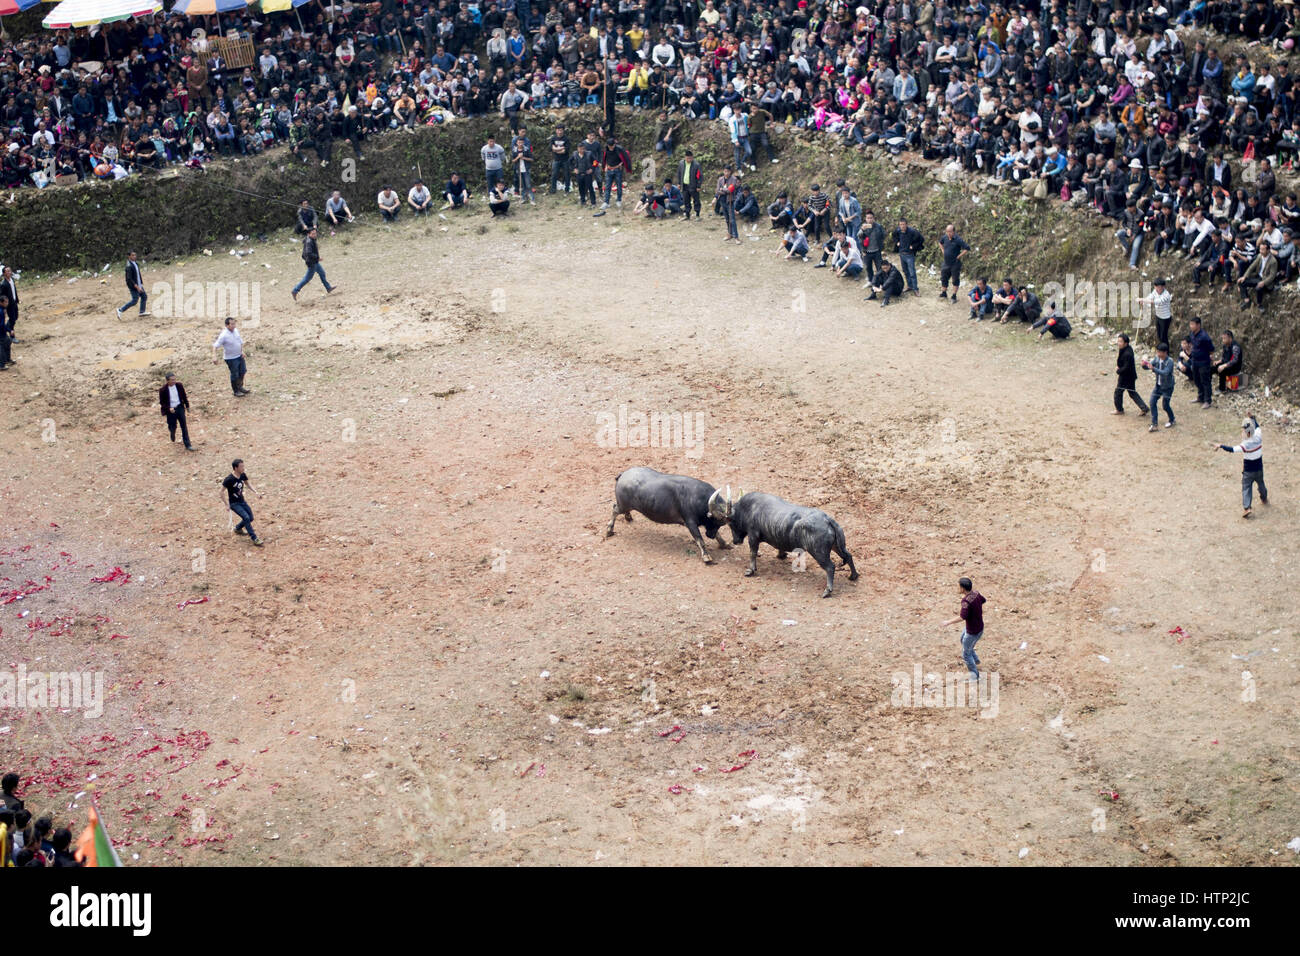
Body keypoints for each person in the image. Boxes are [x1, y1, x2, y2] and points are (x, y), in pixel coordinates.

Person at [1214, 416, 1267, 518]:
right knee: (1261, 483)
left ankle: (1247, 508)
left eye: (1243, 431)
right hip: (1259, 468)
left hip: (1248, 471)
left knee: (1246, 487)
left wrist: (1221, 446)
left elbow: (1232, 449)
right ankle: (1264, 497)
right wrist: (1252, 418)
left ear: (1247, 433)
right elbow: (1257, 426)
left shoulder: (1245, 444)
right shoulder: (1258, 436)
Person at [942, 577, 986, 683]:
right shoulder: (976, 593)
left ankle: (974, 676)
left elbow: (962, 617)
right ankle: (975, 659)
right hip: (978, 626)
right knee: (963, 639)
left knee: (966, 654)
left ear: (962, 588)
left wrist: (948, 622)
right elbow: (983, 600)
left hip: (972, 631)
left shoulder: (965, 601)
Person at [221, 459, 263, 546]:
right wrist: (226, 504)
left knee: (250, 518)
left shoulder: (242, 475)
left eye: (243, 466)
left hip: (242, 501)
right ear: (236, 468)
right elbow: (221, 492)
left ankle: (237, 528)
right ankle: (254, 538)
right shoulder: (229, 479)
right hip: (234, 504)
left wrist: (256, 492)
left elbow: (247, 484)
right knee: (246, 518)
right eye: (241, 466)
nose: (243, 468)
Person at [292, 227, 335, 300]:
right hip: (312, 263)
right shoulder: (309, 242)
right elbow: (308, 253)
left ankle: (328, 288)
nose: (315, 235)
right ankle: (295, 290)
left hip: (314, 261)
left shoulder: (310, 239)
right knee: (307, 278)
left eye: (315, 233)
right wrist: (317, 258)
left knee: (322, 273)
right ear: (308, 234)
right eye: (313, 234)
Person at [212, 316, 250, 396]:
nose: (234, 326)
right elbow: (215, 346)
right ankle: (235, 391)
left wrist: (242, 351)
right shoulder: (224, 335)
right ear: (227, 325)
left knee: (243, 371)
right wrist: (214, 356)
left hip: (239, 355)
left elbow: (240, 341)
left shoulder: (236, 330)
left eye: (234, 324)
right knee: (235, 374)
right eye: (232, 324)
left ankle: (240, 387)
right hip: (231, 358)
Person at [1113, 333, 1149, 415]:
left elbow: (1126, 367)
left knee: (1118, 392)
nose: (1118, 343)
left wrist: (1118, 370)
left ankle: (1119, 409)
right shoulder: (1125, 348)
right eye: (1118, 341)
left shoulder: (1127, 354)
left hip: (1126, 376)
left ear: (1125, 343)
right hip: (1130, 375)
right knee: (1132, 392)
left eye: (1120, 341)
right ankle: (1144, 408)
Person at [1143, 342, 1177, 432]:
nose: (1158, 354)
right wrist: (1144, 365)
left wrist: (1154, 369)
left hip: (1167, 387)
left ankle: (1172, 419)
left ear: (1165, 352)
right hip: (1158, 386)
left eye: (1159, 352)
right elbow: (1150, 366)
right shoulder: (1157, 359)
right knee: (1152, 402)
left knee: (1165, 405)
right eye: (1157, 352)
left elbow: (1165, 373)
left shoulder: (1170, 361)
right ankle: (1154, 424)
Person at [158, 372, 194, 450]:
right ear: (167, 381)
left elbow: (184, 396)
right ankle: (172, 432)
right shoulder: (163, 390)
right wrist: (168, 408)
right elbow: (162, 402)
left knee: (184, 426)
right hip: (171, 411)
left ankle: (188, 444)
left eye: (174, 379)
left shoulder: (179, 385)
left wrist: (187, 406)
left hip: (180, 408)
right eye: (172, 380)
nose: (174, 381)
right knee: (172, 425)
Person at [1188, 316, 1216, 408]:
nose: (1191, 326)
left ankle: (1207, 400)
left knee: (1205, 381)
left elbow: (1211, 349)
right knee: (1196, 379)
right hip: (1194, 361)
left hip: (1203, 362)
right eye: (1190, 324)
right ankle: (1200, 396)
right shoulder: (1192, 334)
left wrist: (1210, 358)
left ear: (1198, 325)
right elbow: (1192, 345)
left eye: (1192, 324)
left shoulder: (1204, 337)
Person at [1137, 277, 1173, 348]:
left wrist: (1143, 299)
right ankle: (1162, 350)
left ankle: (1165, 351)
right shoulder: (1155, 291)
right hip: (1158, 316)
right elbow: (1150, 297)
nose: (1156, 289)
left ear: (1163, 287)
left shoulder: (1166, 295)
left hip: (1165, 318)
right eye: (1155, 287)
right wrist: (1143, 301)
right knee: (1159, 335)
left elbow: (1157, 302)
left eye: (1158, 287)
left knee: (1163, 336)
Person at [937, 224, 970, 301]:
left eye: (950, 231)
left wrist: (959, 256)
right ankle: (944, 293)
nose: (948, 233)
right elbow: (940, 243)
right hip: (946, 262)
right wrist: (943, 250)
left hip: (955, 263)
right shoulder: (945, 237)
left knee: (955, 279)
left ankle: (954, 295)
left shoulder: (958, 239)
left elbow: (967, 248)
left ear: (954, 231)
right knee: (944, 278)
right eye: (947, 231)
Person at [892, 217, 924, 295]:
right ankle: (909, 286)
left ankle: (915, 289)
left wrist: (913, 246)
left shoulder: (912, 231)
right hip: (902, 254)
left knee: (912, 273)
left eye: (903, 224)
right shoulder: (898, 231)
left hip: (910, 255)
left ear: (906, 224)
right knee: (905, 271)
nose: (902, 226)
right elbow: (893, 236)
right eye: (900, 225)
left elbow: (921, 239)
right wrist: (897, 242)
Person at [116, 252, 149, 319]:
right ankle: (120, 310)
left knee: (144, 296)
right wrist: (137, 287)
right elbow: (129, 278)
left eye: (135, 255)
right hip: (133, 286)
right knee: (134, 300)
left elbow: (137, 274)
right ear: (129, 256)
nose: (134, 256)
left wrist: (140, 284)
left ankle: (142, 312)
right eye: (132, 255)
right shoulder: (129, 266)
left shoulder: (135, 263)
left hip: (138, 284)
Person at [600, 136, 631, 208]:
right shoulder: (606, 149)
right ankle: (606, 202)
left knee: (619, 186)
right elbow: (604, 158)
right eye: (610, 146)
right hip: (609, 170)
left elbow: (626, 157)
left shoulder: (619, 149)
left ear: (614, 144)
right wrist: (605, 166)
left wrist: (622, 164)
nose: (611, 148)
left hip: (617, 170)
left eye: (612, 146)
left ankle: (618, 200)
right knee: (607, 186)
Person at [716, 165, 740, 242]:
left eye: (728, 171)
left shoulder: (734, 179)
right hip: (722, 200)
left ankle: (736, 236)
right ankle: (729, 233)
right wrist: (724, 190)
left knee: (732, 219)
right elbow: (717, 190)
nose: (726, 173)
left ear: (730, 172)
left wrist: (722, 189)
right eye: (725, 171)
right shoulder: (720, 179)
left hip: (730, 201)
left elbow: (730, 190)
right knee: (727, 218)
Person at [548, 124, 571, 194]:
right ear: (556, 130)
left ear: (563, 130)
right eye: (558, 130)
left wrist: (556, 149)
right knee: (554, 175)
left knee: (567, 175)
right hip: (556, 159)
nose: (559, 132)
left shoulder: (566, 139)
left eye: (561, 130)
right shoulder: (553, 138)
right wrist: (561, 148)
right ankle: (553, 189)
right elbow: (551, 148)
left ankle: (567, 189)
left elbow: (564, 151)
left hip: (565, 160)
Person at [0, 266, 18, 339]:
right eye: (7, 271)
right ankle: (12, 335)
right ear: (4, 273)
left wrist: (17, 299)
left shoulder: (12, 280)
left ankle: (8, 327)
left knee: (15, 317)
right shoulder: (3, 284)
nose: (10, 272)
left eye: (10, 271)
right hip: (9, 305)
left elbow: (14, 291)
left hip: (14, 302)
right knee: (12, 319)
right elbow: (2, 296)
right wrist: (4, 307)